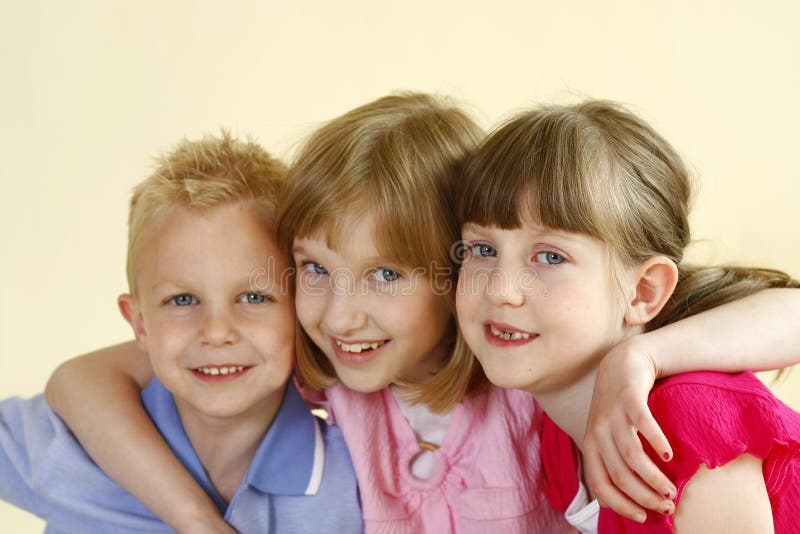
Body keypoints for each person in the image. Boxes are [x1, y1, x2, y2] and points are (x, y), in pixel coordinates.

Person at [45, 94, 800, 532]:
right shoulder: (340, 382)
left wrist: (644, 357)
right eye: (314, 270)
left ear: (445, 276)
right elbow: (82, 382)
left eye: (386, 275)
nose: (342, 317)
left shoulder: (555, 390)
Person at [455, 99, 800, 532]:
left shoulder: (684, 419)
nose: (501, 291)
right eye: (483, 250)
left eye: (550, 256)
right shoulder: (557, 438)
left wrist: (640, 355)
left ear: (642, 291)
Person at [1, 133, 362, 533]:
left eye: (254, 297)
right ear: (139, 323)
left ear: (300, 308)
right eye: (182, 300)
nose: (217, 332)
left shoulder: (356, 483)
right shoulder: (68, 446)